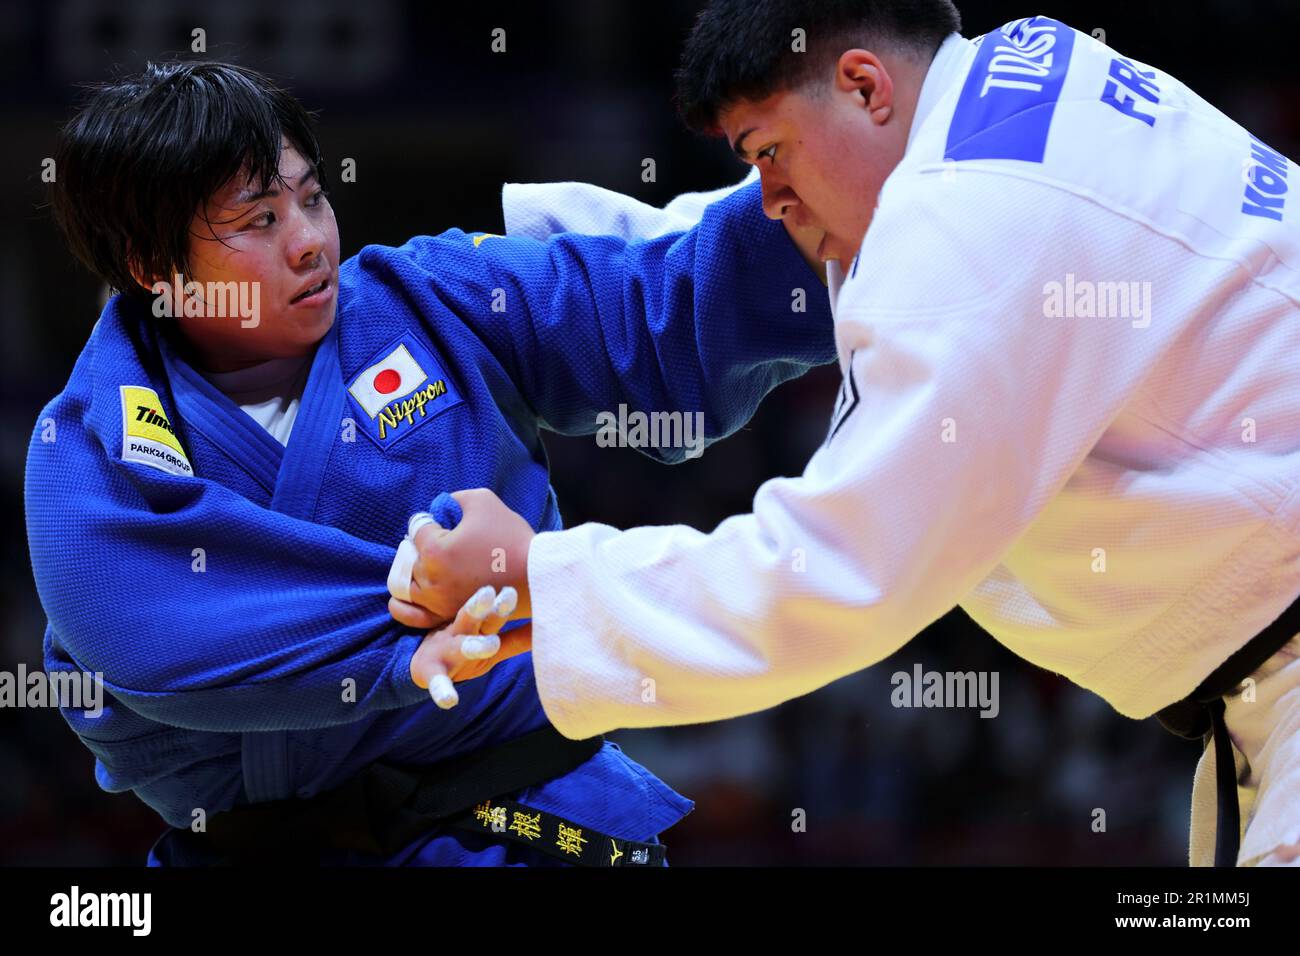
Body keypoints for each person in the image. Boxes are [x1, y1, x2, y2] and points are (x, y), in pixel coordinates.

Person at [399, 1, 1300, 867]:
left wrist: (543, 580)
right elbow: (709, 244)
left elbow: (836, 570)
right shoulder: (1022, 71)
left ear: (866, 86)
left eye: (770, 153)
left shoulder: (967, 222)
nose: (773, 197)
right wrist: (477, 274)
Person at [24, 59, 836, 866]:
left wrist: (827, 197)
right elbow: (138, 630)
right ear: (150, 265)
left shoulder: (435, 301)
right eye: (259, 221)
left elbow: (652, 303)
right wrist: (403, 637)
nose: (310, 243)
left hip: (516, 830)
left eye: (310, 199)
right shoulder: (93, 441)